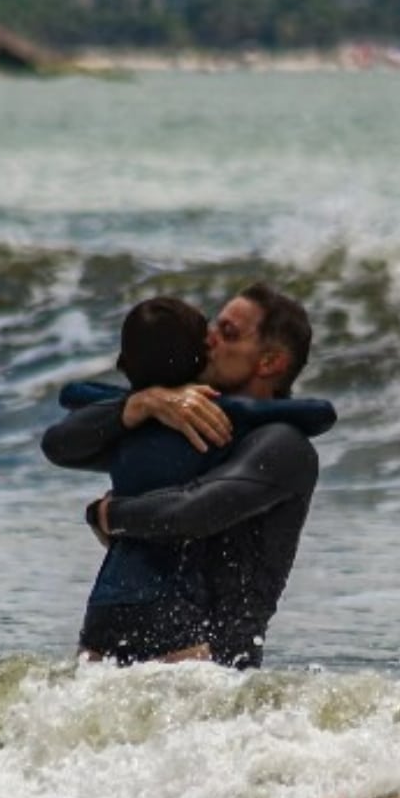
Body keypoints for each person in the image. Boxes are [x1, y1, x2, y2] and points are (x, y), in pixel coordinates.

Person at [42, 283, 327, 669]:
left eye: (228, 334)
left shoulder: (283, 445)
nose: (208, 340)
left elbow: (193, 510)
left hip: (215, 676)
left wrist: (108, 515)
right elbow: (61, 446)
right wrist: (138, 404)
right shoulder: (173, 422)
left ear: (269, 362)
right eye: (212, 327)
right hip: (129, 646)